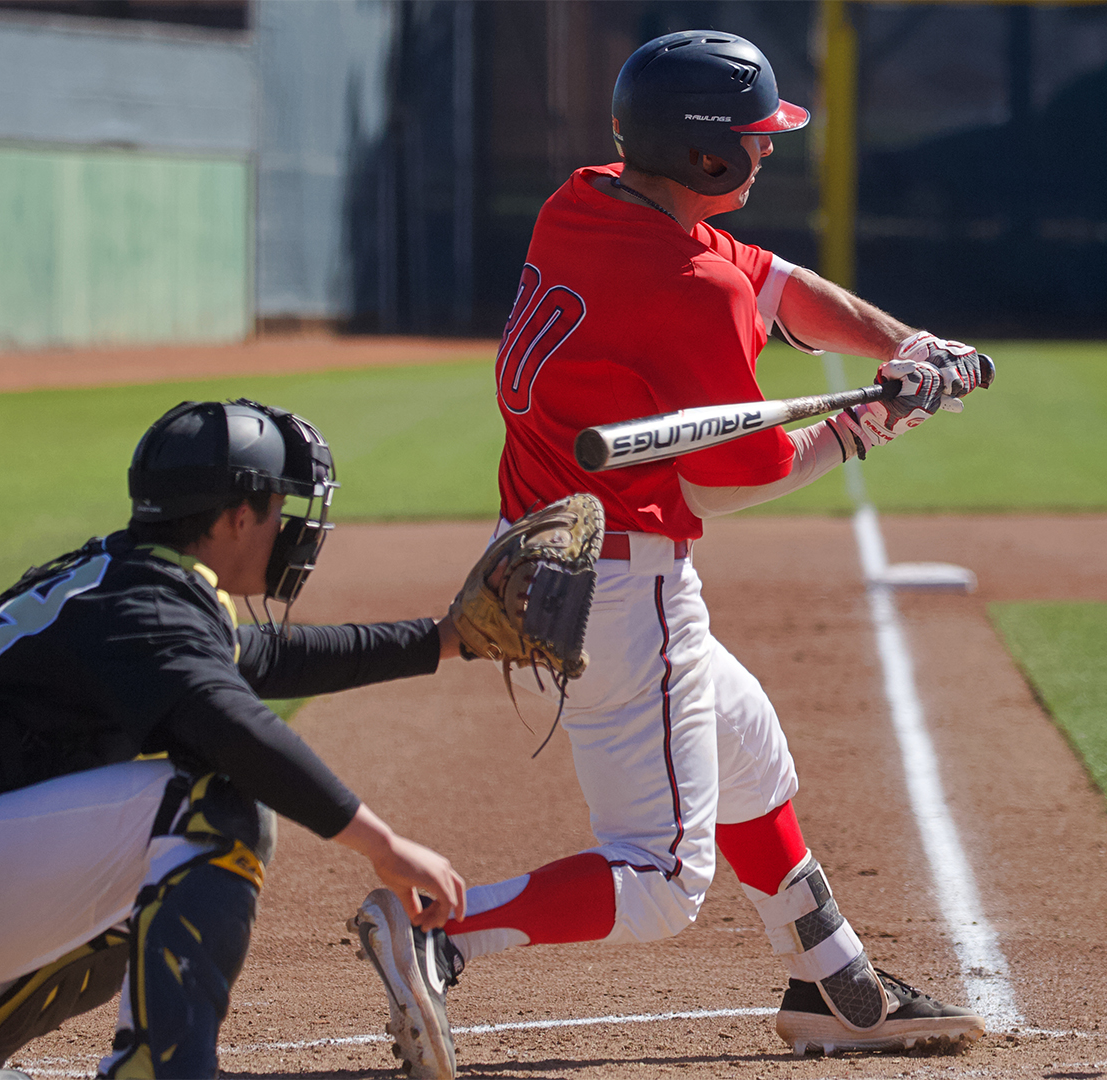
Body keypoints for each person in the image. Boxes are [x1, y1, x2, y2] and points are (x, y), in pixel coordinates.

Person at [350, 30, 993, 1078]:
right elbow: (724, 479)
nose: (768, 151)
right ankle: (439, 937)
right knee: (658, 882)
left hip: (546, 548)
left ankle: (836, 986)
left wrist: (902, 349)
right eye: (754, 136)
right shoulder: (695, 290)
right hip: (619, 576)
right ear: (705, 155)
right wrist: (864, 428)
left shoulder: (589, 199)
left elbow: (776, 282)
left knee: (751, 753)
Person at [0, 399, 470, 1079]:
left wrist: (450, 640)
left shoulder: (130, 580)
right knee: (215, 799)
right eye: (278, 510)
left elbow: (267, 659)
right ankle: (157, 1070)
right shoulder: (150, 612)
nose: (288, 529)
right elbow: (238, 730)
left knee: (155, 876)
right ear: (237, 517)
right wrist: (383, 846)